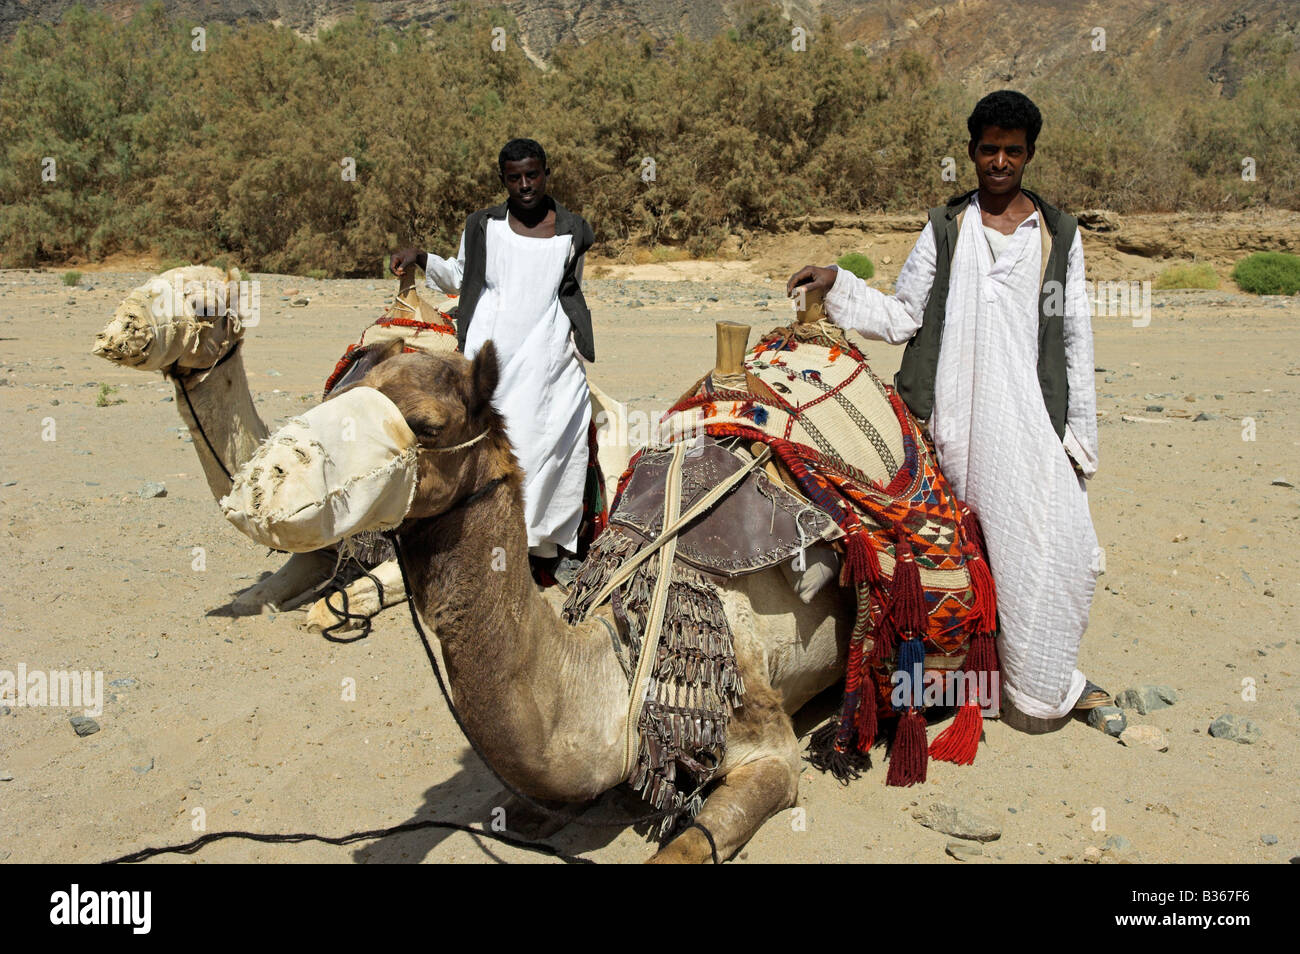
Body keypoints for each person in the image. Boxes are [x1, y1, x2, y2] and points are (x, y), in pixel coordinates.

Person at [787, 90, 1108, 726]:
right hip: (949, 420)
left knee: (1051, 547)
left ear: (1029, 155)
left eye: (1013, 151)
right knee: (943, 557)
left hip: (1028, 426)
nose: (1000, 161)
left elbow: (1074, 340)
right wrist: (838, 282)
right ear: (971, 152)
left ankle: (1038, 686)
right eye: (989, 148)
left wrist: (1078, 443)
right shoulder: (946, 227)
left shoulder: (1058, 236)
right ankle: (944, 690)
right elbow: (904, 313)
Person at [391, 138, 596, 578]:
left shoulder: (572, 230)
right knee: (499, 440)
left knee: (555, 436)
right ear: (503, 179)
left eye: (532, 175)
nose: (524, 185)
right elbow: (463, 277)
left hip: (547, 351)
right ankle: (495, 536)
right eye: (514, 177)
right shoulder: (484, 226)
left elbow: (568, 291)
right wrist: (423, 258)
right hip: (493, 351)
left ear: (546, 173)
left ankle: (540, 547)